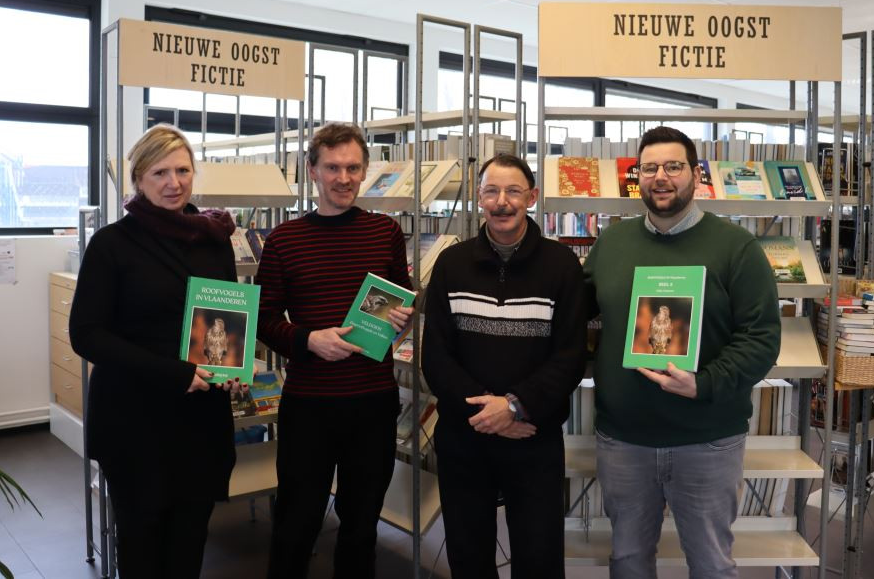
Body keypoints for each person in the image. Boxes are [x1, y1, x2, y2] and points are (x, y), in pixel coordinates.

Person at [583, 126, 781, 579]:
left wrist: (705, 383)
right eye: (649, 168)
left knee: (712, 565)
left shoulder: (737, 248)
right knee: (629, 562)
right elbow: (576, 312)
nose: (661, 177)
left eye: (673, 166)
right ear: (638, 177)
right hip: (624, 440)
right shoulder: (612, 244)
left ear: (695, 173)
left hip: (707, 440)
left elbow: (762, 337)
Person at [69, 124, 238, 578]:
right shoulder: (112, 244)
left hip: (200, 422)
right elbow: (86, 334)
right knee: (142, 545)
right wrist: (175, 372)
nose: (174, 182)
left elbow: (222, 320)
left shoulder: (214, 241)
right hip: (135, 421)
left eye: (183, 170)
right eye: (160, 172)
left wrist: (228, 365)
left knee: (189, 542)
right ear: (138, 179)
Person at [256, 123, 413, 579]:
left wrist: (401, 317)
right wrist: (308, 340)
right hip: (309, 405)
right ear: (312, 171)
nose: (343, 177)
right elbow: (265, 320)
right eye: (332, 167)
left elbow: (400, 298)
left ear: (364, 171)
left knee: (362, 527)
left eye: (352, 167)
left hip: (372, 402)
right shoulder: (284, 240)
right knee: (295, 523)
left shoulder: (384, 232)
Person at [422, 153, 588, 579]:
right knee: (468, 557)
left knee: (539, 558)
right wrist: (490, 415)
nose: (502, 201)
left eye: (513, 191)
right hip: (464, 439)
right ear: (479, 198)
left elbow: (570, 357)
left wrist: (514, 407)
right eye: (492, 191)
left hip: (533, 438)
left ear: (531, 197)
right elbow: (436, 358)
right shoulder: (450, 264)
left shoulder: (562, 266)